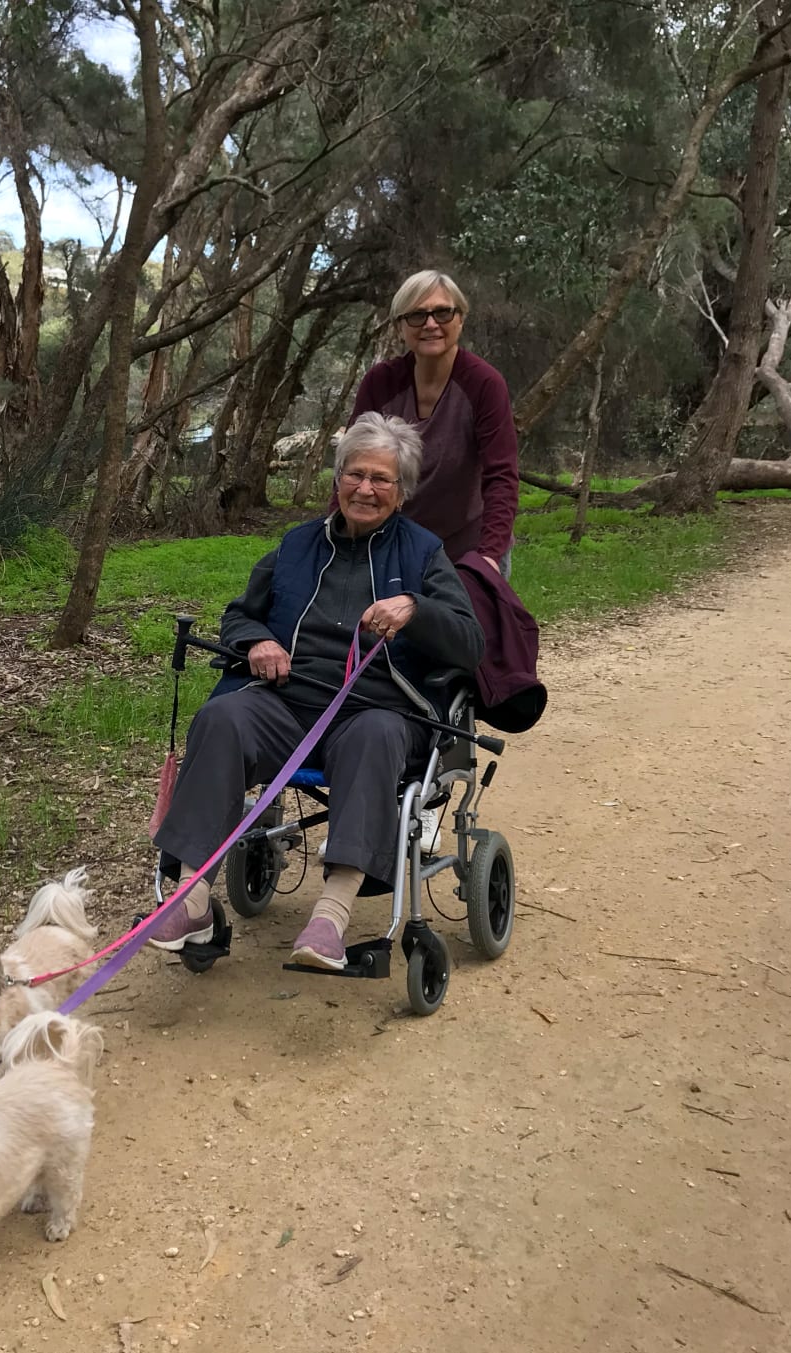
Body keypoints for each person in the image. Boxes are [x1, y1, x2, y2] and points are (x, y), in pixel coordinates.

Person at [148, 414, 484, 971]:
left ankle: (330, 917)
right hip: (287, 702)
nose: (366, 489)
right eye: (355, 474)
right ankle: (193, 899)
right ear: (338, 480)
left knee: (375, 736)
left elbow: (469, 643)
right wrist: (256, 640)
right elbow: (238, 616)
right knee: (223, 718)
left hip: (376, 707)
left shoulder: (423, 553)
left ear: (401, 493)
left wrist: (417, 611)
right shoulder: (299, 544)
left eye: (382, 479)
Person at [349, 271, 518, 576]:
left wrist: (489, 556)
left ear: (460, 319)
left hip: (470, 548)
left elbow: (501, 477)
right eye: (416, 315)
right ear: (400, 325)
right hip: (392, 546)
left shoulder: (485, 384)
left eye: (442, 312)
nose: (430, 324)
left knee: (470, 625)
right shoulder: (380, 382)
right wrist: (339, 534)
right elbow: (349, 467)